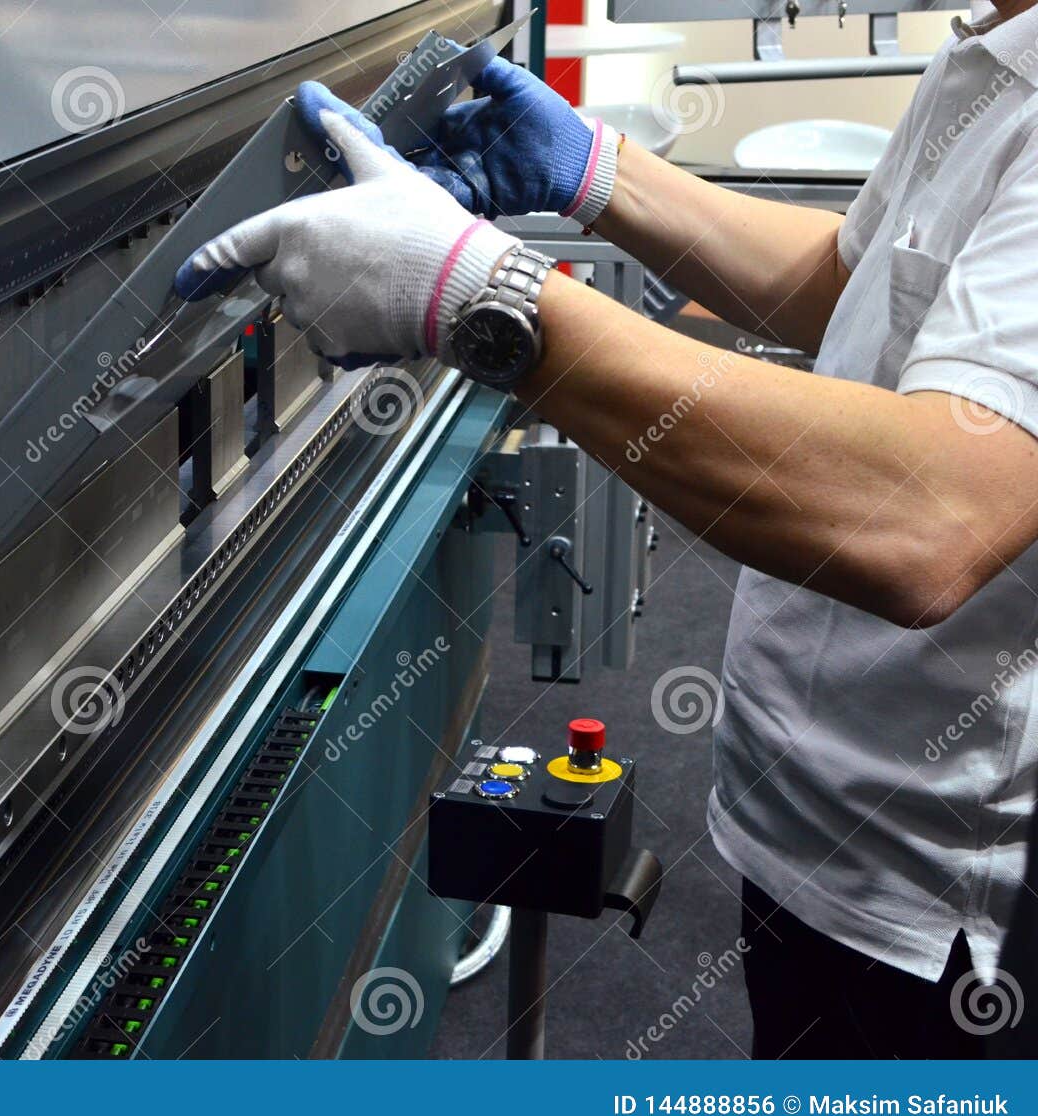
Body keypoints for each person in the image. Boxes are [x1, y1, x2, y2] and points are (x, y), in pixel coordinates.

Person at [176, 0, 1038, 1058]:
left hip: (946, 920)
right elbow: (853, 286)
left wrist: (479, 296)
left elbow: (930, 514)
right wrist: (595, 170)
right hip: (827, 829)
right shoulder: (997, 45)